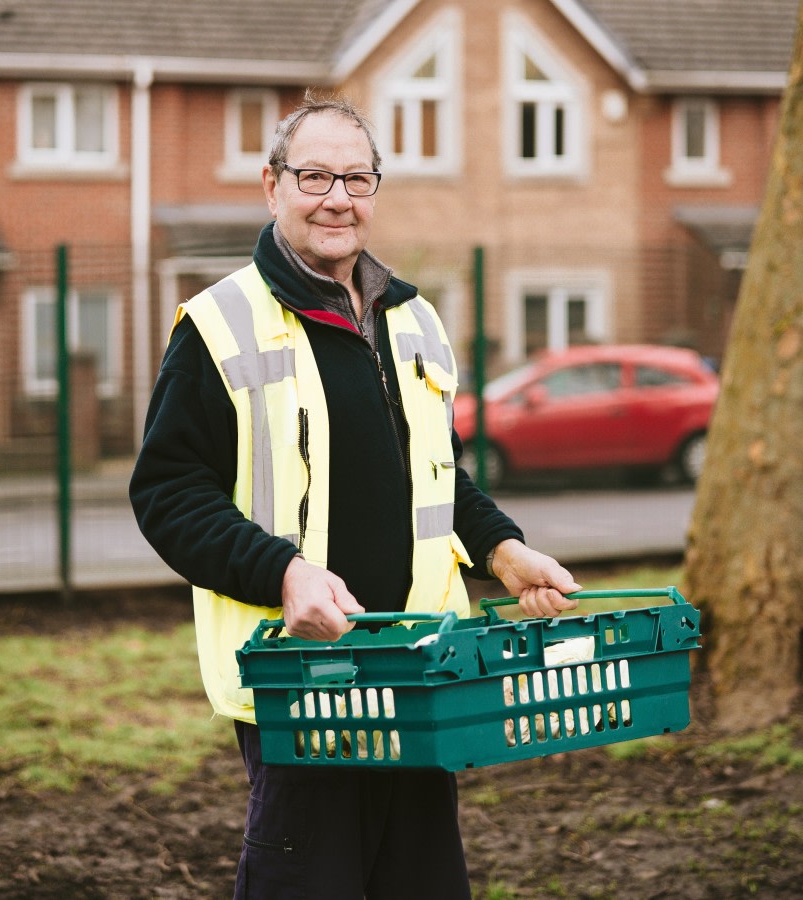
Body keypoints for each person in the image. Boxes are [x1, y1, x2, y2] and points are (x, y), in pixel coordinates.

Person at [130, 91, 581, 900]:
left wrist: (504, 551)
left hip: (419, 667)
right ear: (271, 187)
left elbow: (439, 477)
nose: (337, 197)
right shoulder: (220, 325)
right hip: (301, 674)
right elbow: (167, 492)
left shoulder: (415, 322)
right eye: (313, 176)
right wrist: (282, 573)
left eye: (356, 178)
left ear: (375, 191)